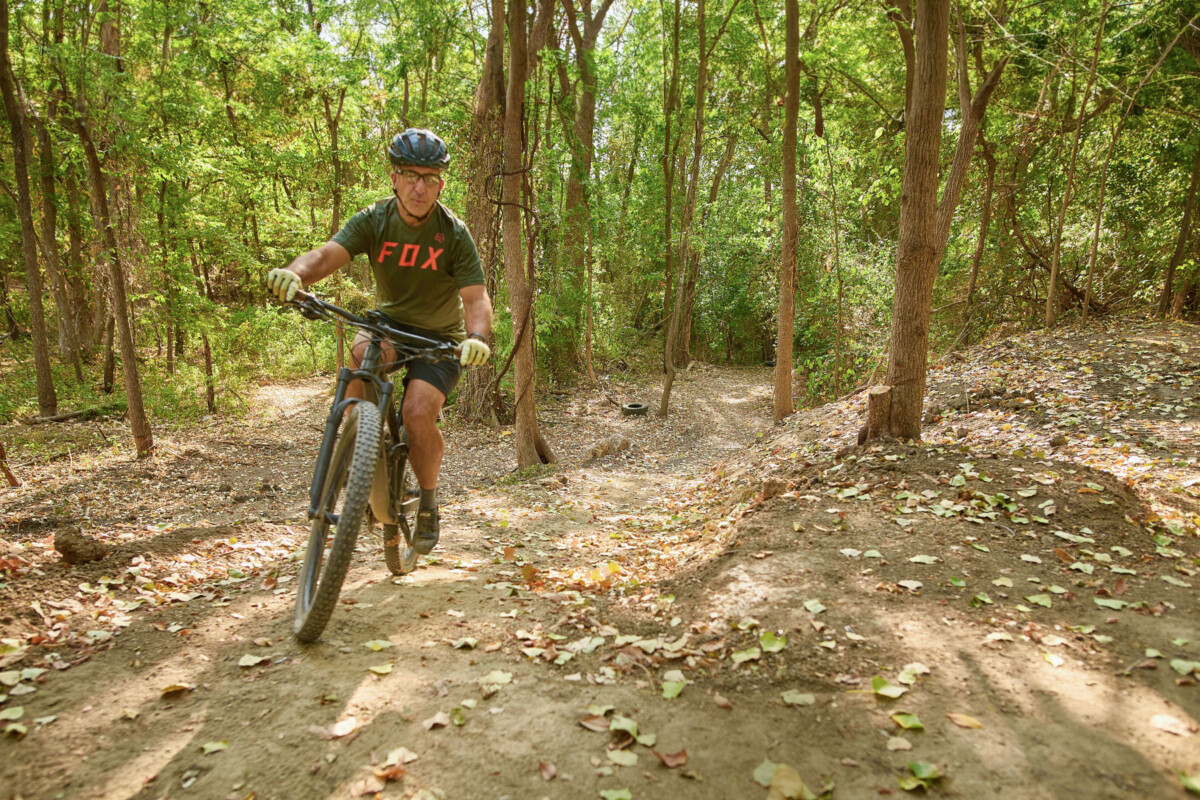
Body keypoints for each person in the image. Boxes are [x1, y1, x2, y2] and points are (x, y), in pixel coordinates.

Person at [265, 128, 493, 556]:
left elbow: (476, 296)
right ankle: (363, 459)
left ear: (441, 184)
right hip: (386, 322)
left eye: (429, 177)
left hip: (438, 337)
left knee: (418, 413)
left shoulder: (453, 232)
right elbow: (325, 255)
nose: (419, 186)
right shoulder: (375, 218)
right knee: (356, 368)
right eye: (410, 175)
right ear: (394, 177)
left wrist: (476, 336)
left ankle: (427, 501)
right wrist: (295, 272)